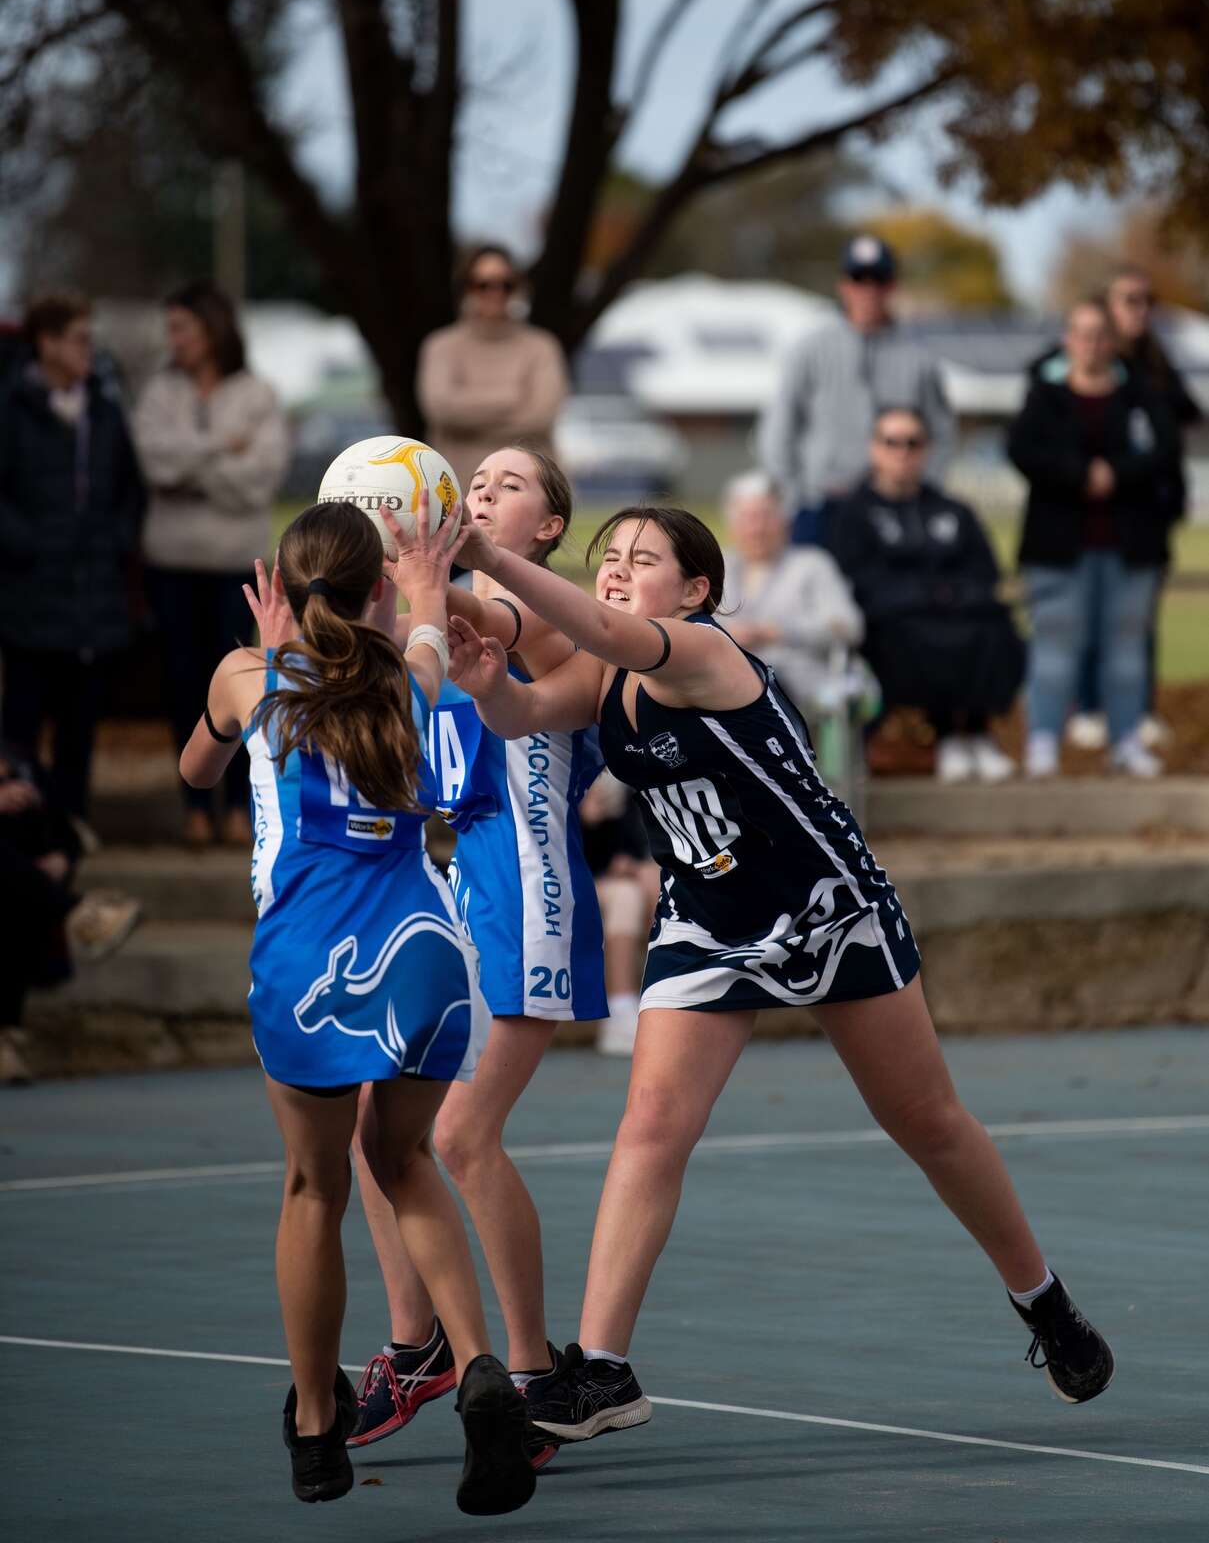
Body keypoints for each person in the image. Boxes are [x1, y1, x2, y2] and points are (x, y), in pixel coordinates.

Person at [445, 503, 1114, 1443]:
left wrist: (478, 554)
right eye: (608, 558)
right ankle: (601, 1369)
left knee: (923, 1119)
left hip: (822, 906)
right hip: (708, 920)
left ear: (695, 591)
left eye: (643, 560)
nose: (616, 571)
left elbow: (592, 627)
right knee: (650, 1126)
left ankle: (1040, 1297)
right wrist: (483, 683)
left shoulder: (696, 652)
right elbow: (521, 707)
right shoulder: (602, 675)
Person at [246, 446, 607, 1464]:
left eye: (510, 486)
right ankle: (420, 1348)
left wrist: (421, 563)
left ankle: (531, 1372)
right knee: (380, 1126)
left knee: (457, 1140)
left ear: (543, 529)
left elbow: (480, 624)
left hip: (519, 890)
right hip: (443, 892)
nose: (483, 491)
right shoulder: (421, 617)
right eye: (475, 479)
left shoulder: (529, 608)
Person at [181, 497, 535, 1515]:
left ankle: (313, 1423)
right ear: (376, 587)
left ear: (282, 592)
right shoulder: (411, 676)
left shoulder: (251, 681)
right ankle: (480, 1373)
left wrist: (263, 650)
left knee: (313, 1186)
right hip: (423, 954)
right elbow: (422, 630)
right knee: (407, 1159)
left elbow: (193, 769)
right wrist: (422, 584)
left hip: (309, 962)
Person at [134, 279, 289, 848]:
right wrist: (224, 449)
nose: (173, 339)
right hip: (171, 562)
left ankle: (241, 808)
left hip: (231, 563)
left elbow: (260, 479)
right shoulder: (159, 392)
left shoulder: (256, 394)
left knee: (242, 678)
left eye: (183, 327)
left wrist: (190, 470)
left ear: (213, 329)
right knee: (182, 683)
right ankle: (194, 804)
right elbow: (154, 463)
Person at [1008, 299, 1178, 780]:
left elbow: (1164, 451)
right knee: (1055, 648)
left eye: (1100, 334)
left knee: (1126, 652)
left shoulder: (1140, 394)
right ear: (1068, 340)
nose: (1092, 344)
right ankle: (1043, 740)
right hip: (1058, 547)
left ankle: (1125, 740)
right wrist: (1080, 474)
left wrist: (1116, 474)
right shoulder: (1046, 394)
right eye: (1081, 334)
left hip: (1128, 546)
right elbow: (1023, 450)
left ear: (1112, 341)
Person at [0, 292, 143, 821]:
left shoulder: (103, 411)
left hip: (92, 596)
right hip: (30, 594)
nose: (90, 349)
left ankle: (69, 826)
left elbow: (129, 487)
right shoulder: (12, 408)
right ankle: (23, 834)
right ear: (47, 343)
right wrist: (29, 544)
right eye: (79, 338)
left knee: (79, 724)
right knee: (21, 721)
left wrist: (116, 540)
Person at [830, 407, 1022, 785]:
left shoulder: (952, 510)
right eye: (892, 442)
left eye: (912, 443)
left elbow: (984, 571)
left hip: (959, 612)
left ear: (927, 450)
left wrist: (950, 595)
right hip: (894, 623)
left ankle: (977, 735)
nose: (902, 452)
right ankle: (948, 736)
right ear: (874, 449)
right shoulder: (853, 514)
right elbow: (856, 577)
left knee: (996, 630)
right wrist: (924, 594)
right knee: (924, 639)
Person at [758, 235, 955, 544]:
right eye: (859, 278)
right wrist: (795, 495)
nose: (869, 289)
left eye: (878, 279)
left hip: (896, 507)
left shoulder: (919, 358)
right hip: (822, 503)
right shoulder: (811, 348)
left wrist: (924, 488)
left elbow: (941, 432)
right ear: (843, 285)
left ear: (892, 286)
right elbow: (779, 428)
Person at [0, 738, 141, 1084]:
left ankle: (5, 1041)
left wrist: (60, 859)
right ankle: (75, 910)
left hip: (21, 884)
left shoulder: (19, 760)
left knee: (13, 902)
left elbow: (65, 828)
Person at [1106, 266, 1198, 746]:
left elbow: (1187, 412)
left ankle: (1138, 708)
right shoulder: (1093, 361)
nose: (1139, 310)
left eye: (1146, 300)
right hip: (1103, 515)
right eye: (1128, 300)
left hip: (1151, 513)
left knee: (1141, 618)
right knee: (1096, 618)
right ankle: (1095, 708)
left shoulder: (1159, 362)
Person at [417, 246, 568, 484]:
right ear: (467, 287)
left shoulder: (541, 346)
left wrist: (468, 421)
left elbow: (541, 415)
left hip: (530, 486)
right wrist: (511, 396)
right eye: (483, 284)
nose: (495, 293)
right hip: (458, 485)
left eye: (505, 284)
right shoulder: (441, 346)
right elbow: (441, 408)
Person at [720, 471, 864, 714]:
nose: (757, 528)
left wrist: (778, 632)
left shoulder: (812, 564)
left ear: (785, 521)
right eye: (747, 518)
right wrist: (727, 634)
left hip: (801, 690)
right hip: (725, 683)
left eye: (766, 516)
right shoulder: (717, 566)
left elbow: (849, 627)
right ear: (732, 524)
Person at [578, 770, 660, 1058]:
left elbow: (632, 847)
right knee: (626, 897)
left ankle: (668, 999)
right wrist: (582, 819)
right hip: (570, 881)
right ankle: (621, 1010)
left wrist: (635, 866)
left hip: (612, 877)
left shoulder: (623, 783)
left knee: (653, 884)